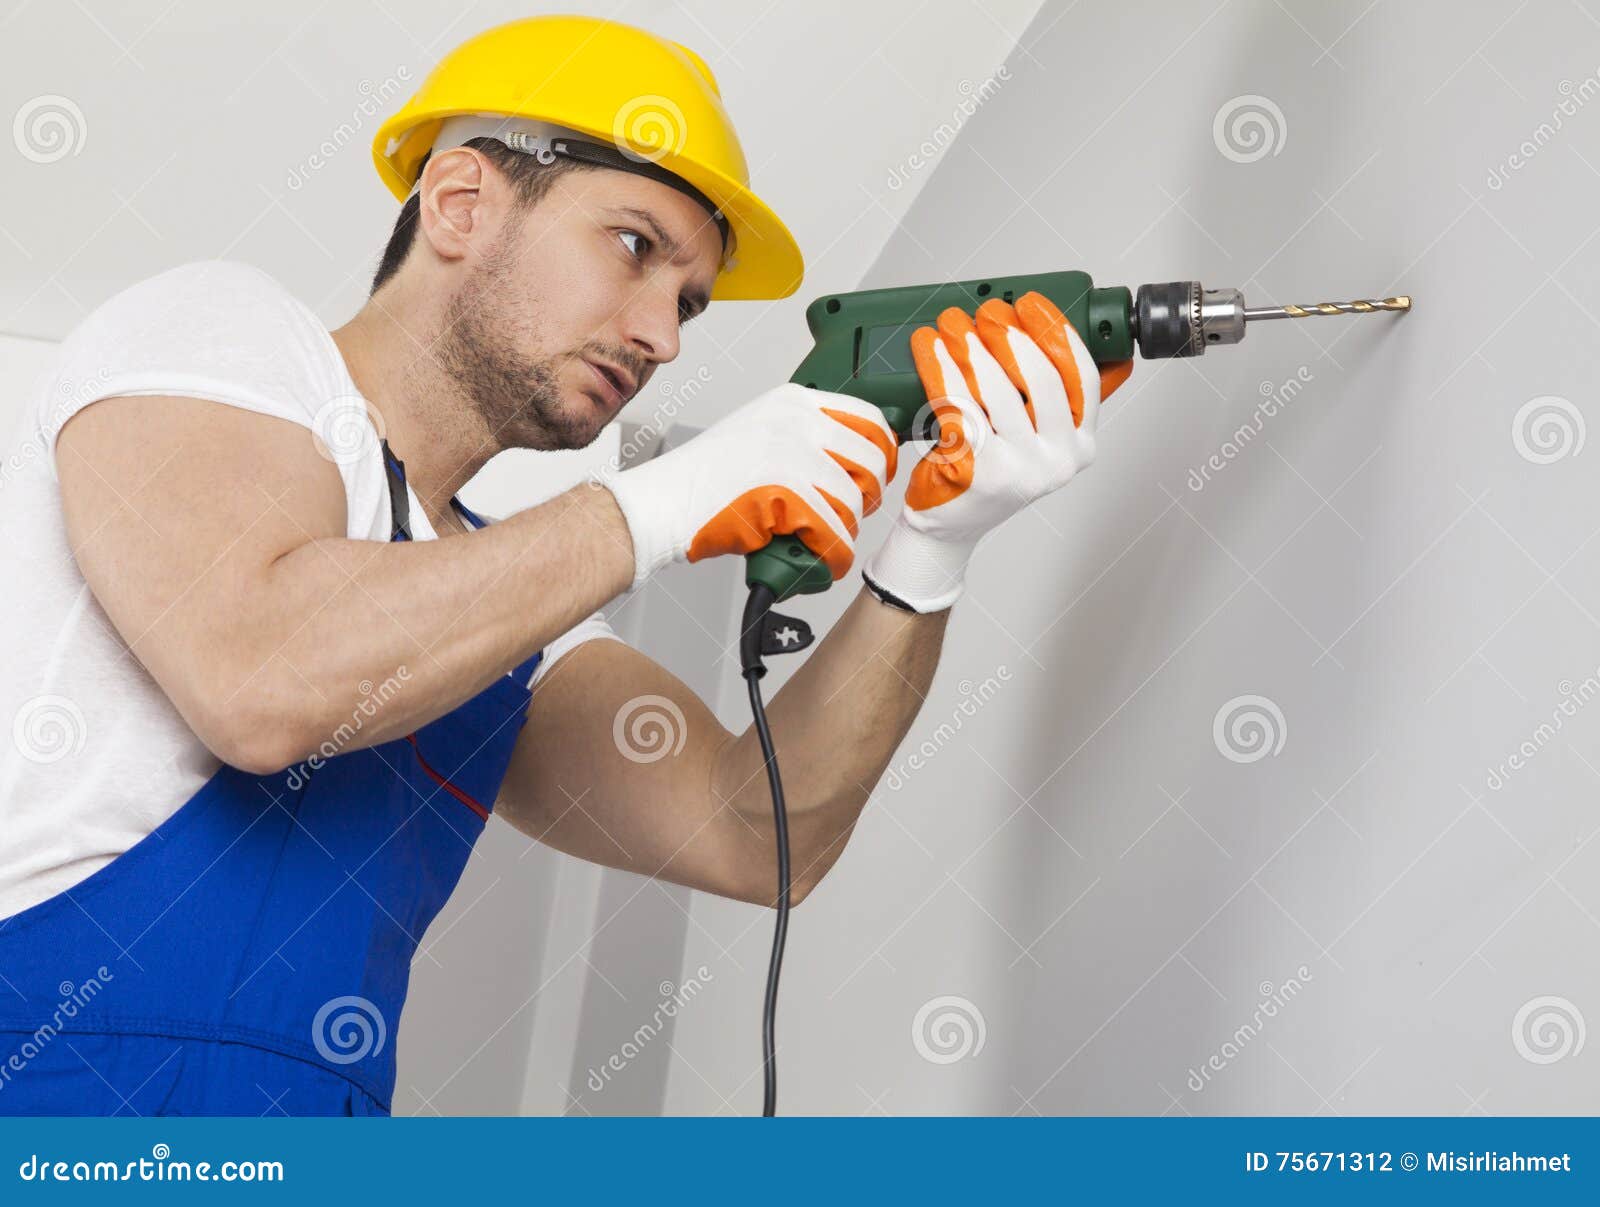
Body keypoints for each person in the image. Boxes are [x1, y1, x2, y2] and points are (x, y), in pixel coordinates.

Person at [0, 14, 1131, 1115]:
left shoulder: (507, 622)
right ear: (459, 202)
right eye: (636, 248)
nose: (666, 336)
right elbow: (258, 675)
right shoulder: (218, 330)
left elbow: (753, 835)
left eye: (687, 301)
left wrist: (928, 556)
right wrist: (661, 503)